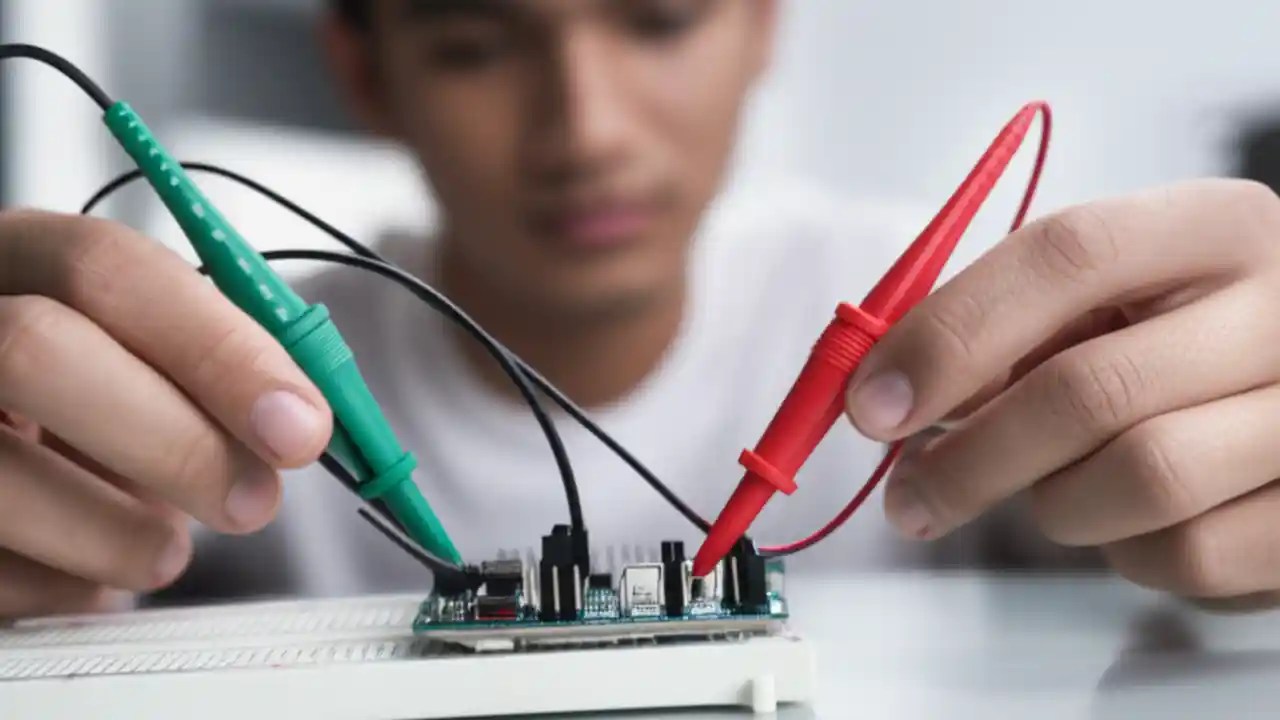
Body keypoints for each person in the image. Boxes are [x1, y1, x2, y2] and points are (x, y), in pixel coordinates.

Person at [3, 0, 1280, 616]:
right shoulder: (185, 404)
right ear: (363, 69)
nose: (587, 131)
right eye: (474, 42)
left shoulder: (995, 340)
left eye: (658, 18)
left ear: (764, 21)